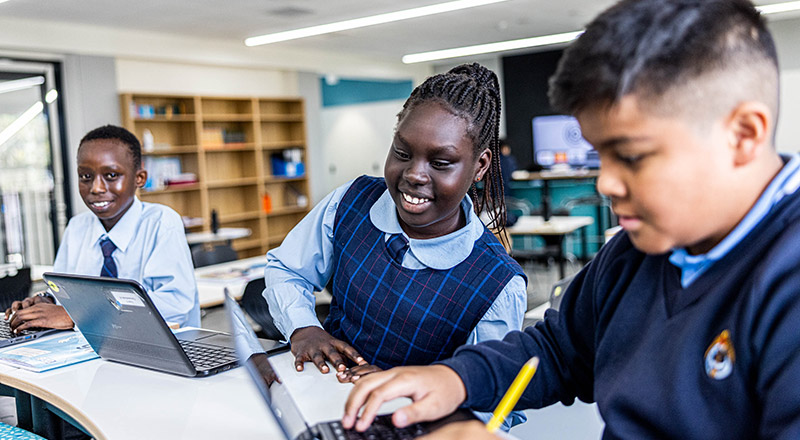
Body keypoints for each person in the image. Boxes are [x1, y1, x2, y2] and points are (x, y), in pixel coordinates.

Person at [342, 0, 800, 438]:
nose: (606, 184)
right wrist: (454, 379)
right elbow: (559, 351)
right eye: (601, 154)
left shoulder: (786, 282)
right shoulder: (634, 253)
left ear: (743, 135)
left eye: (632, 156)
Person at [264, 64, 527, 385]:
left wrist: (409, 390)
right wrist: (304, 327)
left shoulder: (497, 283)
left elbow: (491, 399)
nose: (414, 174)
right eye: (402, 152)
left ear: (480, 165)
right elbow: (287, 269)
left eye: (440, 162)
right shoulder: (350, 200)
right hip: (323, 400)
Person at [5, 125, 200, 331]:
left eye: (111, 176)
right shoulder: (77, 227)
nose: (96, 188)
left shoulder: (161, 223)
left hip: (162, 351)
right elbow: (64, 291)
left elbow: (175, 305)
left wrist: (79, 316)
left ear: (139, 178)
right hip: (91, 349)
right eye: (86, 177)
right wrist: (47, 301)